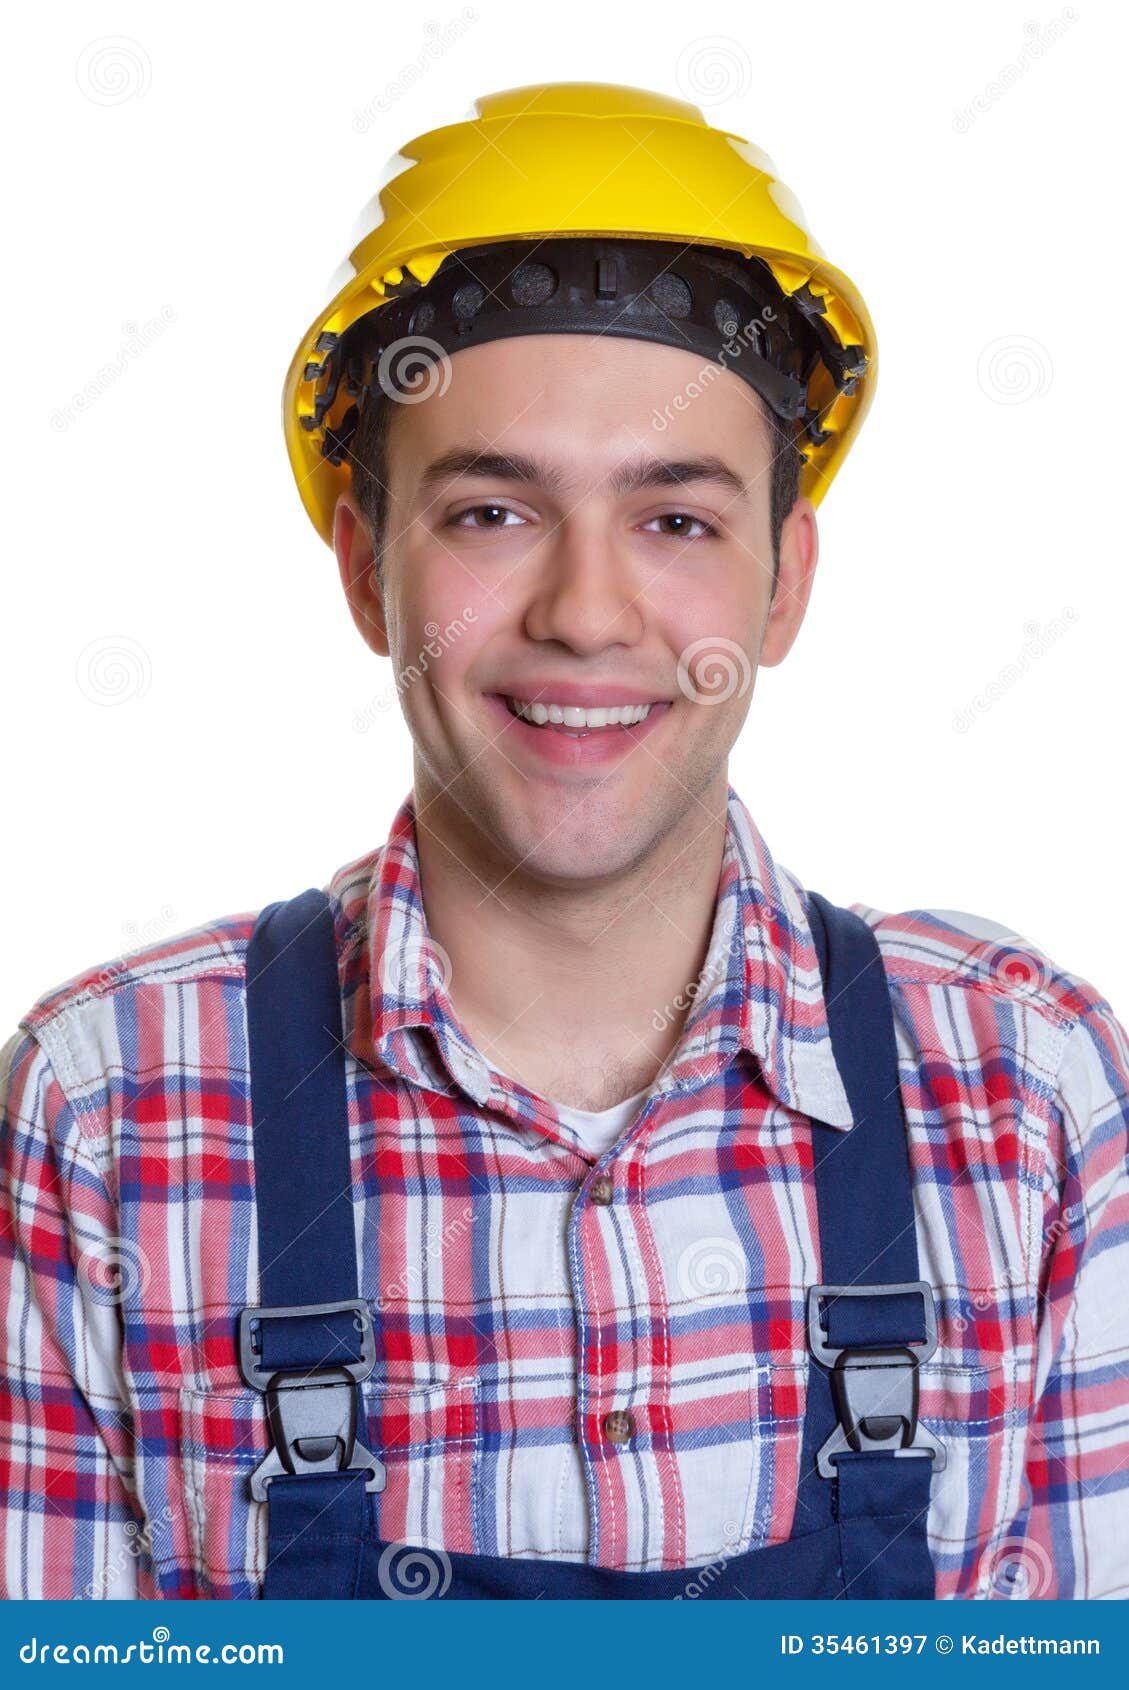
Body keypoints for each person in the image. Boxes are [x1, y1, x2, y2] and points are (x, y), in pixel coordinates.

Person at [2, 81, 1127, 1602]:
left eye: (675, 521)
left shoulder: (1026, 1098)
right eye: (490, 513)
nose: (586, 614)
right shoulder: (109, 1110)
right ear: (362, 567)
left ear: (783, 581)